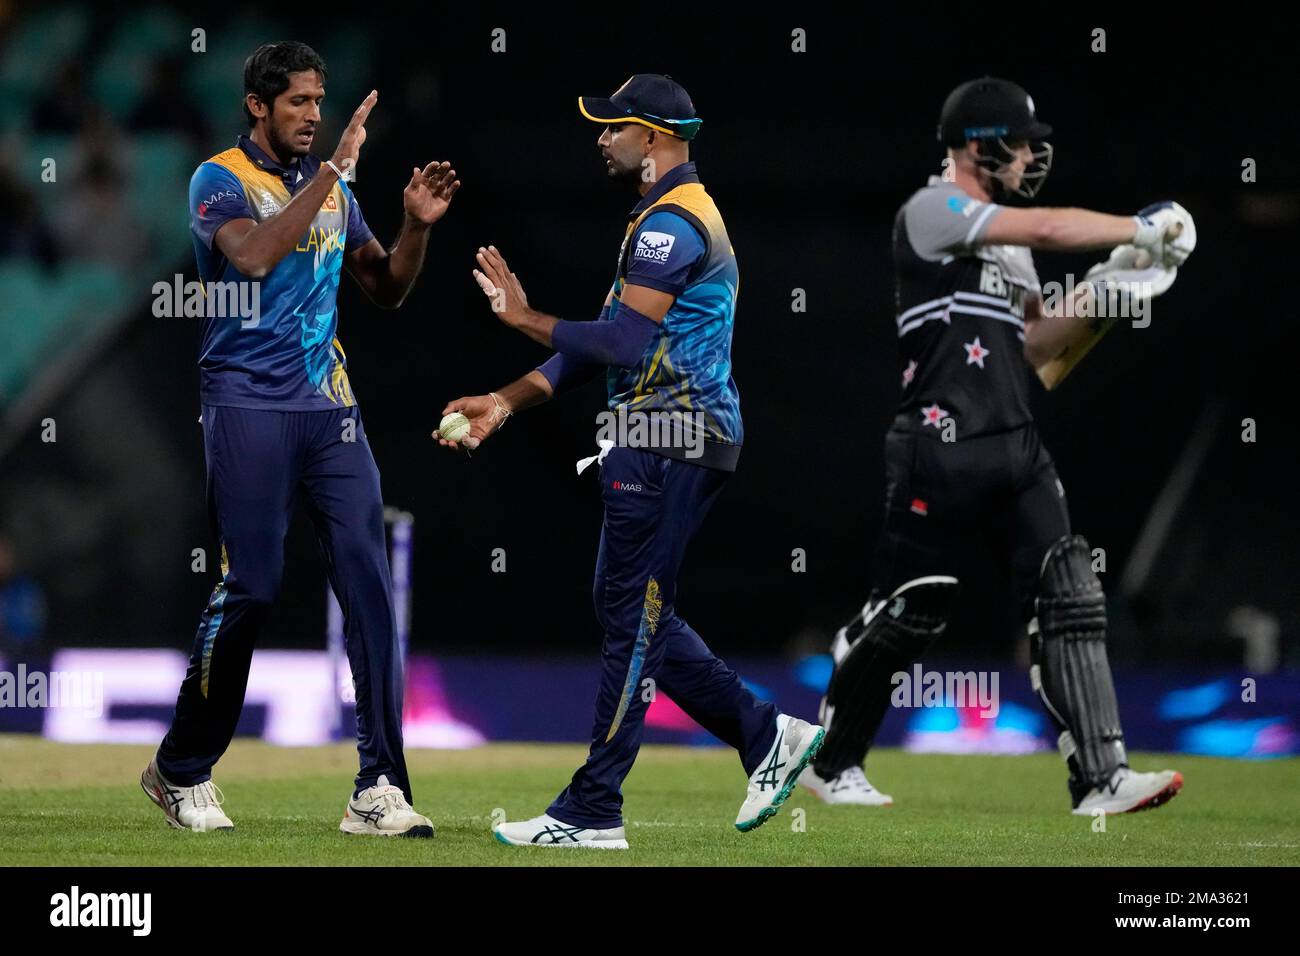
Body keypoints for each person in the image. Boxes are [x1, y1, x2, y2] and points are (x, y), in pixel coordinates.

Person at [438, 75, 824, 848]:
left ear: (652, 137)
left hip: (668, 438)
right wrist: (507, 401)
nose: (600, 137)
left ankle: (594, 810)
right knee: (635, 613)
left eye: (613, 127)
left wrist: (522, 318)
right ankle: (764, 737)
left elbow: (620, 345)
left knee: (631, 621)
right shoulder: (662, 218)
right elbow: (604, 346)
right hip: (666, 435)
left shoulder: (671, 224)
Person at [800, 77, 1189, 816]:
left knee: (1070, 590)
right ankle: (832, 760)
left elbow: (1039, 349)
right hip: (939, 441)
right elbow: (1045, 228)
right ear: (982, 144)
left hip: (1015, 442)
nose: (1033, 154)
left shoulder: (1006, 246)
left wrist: (1117, 288)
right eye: (1023, 140)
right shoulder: (932, 209)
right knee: (909, 612)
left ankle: (1101, 778)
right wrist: (1135, 230)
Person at [142, 41, 460, 837]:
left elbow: (383, 286)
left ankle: (379, 786)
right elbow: (250, 256)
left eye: (321, 102)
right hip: (245, 401)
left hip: (330, 407)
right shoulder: (219, 178)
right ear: (258, 105)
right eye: (298, 103)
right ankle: (180, 769)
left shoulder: (330, 188)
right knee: (251, 583)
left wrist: (413, 229)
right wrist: (333, 177)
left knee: (368, 580)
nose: (315, 117)